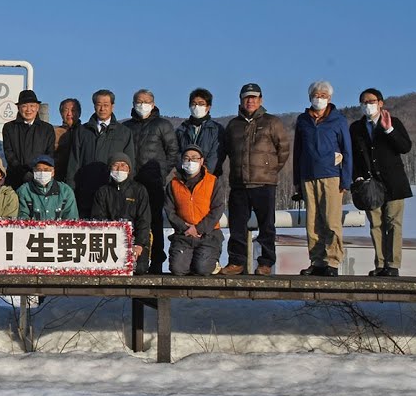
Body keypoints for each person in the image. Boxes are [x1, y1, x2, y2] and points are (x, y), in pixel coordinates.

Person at [220, 82, 291, 276]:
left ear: (260, 100)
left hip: (264, 183)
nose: (250, 101)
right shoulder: (233, 125)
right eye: (246, 97)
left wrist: (271, 169)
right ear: (241, 100)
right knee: (237, 227)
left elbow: (283, 149)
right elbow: (225, 152)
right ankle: (236, 262)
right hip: (239, 184)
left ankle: (265, 263)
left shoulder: (272, 122)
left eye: (254, 97)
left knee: (266, 226)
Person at [349, 88, 414, 277]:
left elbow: (405, 147)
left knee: (393, 223)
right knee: (376, 225)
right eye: (363, 102)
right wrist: (357, 177)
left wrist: (389, 130)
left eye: (371, 101)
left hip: (394, 183)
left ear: (380, 103)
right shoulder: (356, 128)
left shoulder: (394, 122)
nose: (367, 105)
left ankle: (392, 265)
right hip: (369, 186)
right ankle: (380, 264)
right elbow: (351, 156)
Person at [292, 80, 353, 277]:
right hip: (308, 176)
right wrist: (296, 180)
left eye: (323, 96)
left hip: (331, 175)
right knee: (312, 222)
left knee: (331, 221)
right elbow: (298, 151)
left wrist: (346, 179)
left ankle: (333, 261)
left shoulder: (339, 120)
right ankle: (316, 260)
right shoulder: (302, 120)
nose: (319, 98)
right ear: (310, 97)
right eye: (316, 95)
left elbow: (347, 151)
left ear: (330, 98)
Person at [122, 88, 180, 274]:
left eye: (146, 101)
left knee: (154, 222)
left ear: (153, 104)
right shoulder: (127, 127)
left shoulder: (163, 125)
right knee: (132, 222)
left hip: (153, 183)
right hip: (131, 184)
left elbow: (173, 152)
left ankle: (156, 261)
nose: (142, 105)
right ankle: (133, 261)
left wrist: (161, 173)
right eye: (138, 101)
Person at [65, 89, 137, 218]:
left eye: (106, 105)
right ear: (94, 106)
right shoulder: (82, 131)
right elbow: (73, 163)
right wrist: (71, 190)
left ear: (112, 106)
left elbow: (130, 165)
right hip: (86, 192)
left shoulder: (124, 132)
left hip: (113, 193)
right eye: (99, 104)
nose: (102, 108)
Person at [164, 145, 228, 276]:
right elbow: (169, 210)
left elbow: (218, 208)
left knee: (203, 269)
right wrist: (184, 227)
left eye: (194, 158)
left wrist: (199, 228)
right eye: (186, 158)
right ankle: (192, 260)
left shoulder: (212, 181)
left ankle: (210, 262)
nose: (190, 162)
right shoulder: (173, 183)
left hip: (208, 235)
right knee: (178, 269)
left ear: (201, 161)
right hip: (183, 235)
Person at [90, 152, 151, 267]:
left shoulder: (139, 190)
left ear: (129, 170)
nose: (119, 169)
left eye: (123, 165)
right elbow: (98, 218)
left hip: (134, 239)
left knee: (138, 268)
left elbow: (144, 220)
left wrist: (139, 244)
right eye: (115, 165)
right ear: (110, 169)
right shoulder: (103, 191)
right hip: (110, 240)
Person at [2, 89, 57, 190]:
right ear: (18, 108)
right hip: (15, 180)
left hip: (40, 180)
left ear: (37, 107)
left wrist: (37, 172)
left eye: (32, 106)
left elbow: (49, 153)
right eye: (24, 106)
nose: (28, 110)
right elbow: (9, 153)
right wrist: (23, 173)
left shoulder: (47, 129)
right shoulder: (9, 127)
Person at [176, 88, 226, 176]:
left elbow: (215, 157)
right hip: (185, 178)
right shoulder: (182, 129)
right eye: (193, 104)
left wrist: (202, 175)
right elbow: (176, 154)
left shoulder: (216, 130)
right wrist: (184, 171)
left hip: (209, 179)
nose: (196, 107)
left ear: (208, 107)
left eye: (201, 104)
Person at [18, 154, 79, 220]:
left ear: (53, 172)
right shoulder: (23, 191)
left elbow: (72, 220)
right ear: (34, 171)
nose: (42, 173)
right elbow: (22, 218)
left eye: (46, 170)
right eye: (39, 169)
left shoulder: (66, 191)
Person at [53, 97, 81, 182]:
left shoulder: (85, 132)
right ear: (61, 113)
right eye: (66, 110)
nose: (69, 114)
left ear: (79, 113)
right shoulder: (55, 133)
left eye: (73, 110)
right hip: (59, 178)